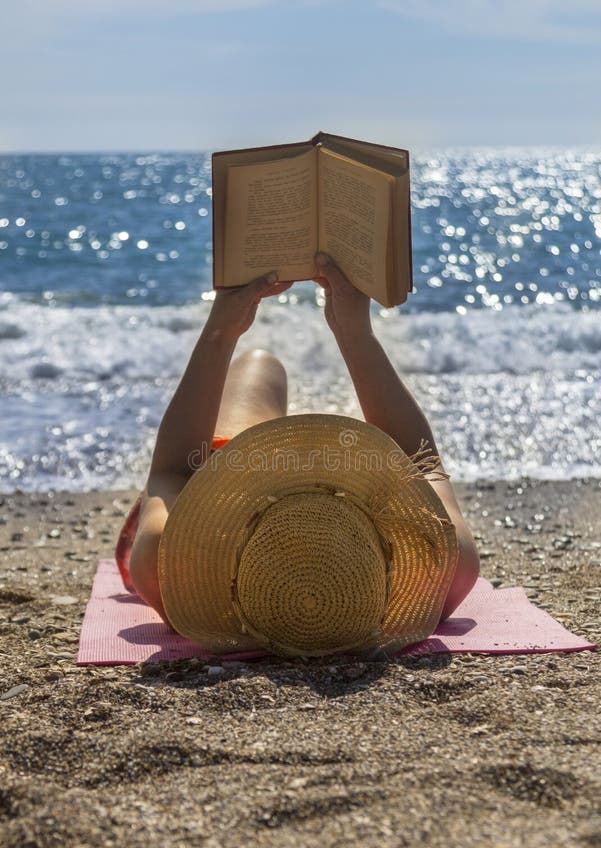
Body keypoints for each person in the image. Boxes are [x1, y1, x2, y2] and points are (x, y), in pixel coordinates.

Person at [116, 252, 479, 656]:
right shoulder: (444, 569)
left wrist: (221, 329)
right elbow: (420, 459)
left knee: (260, 365)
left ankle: (154, 507)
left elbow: (169, 471)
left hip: (229, 481)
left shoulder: (167, 564)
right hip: (235, 526)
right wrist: (355, 332)